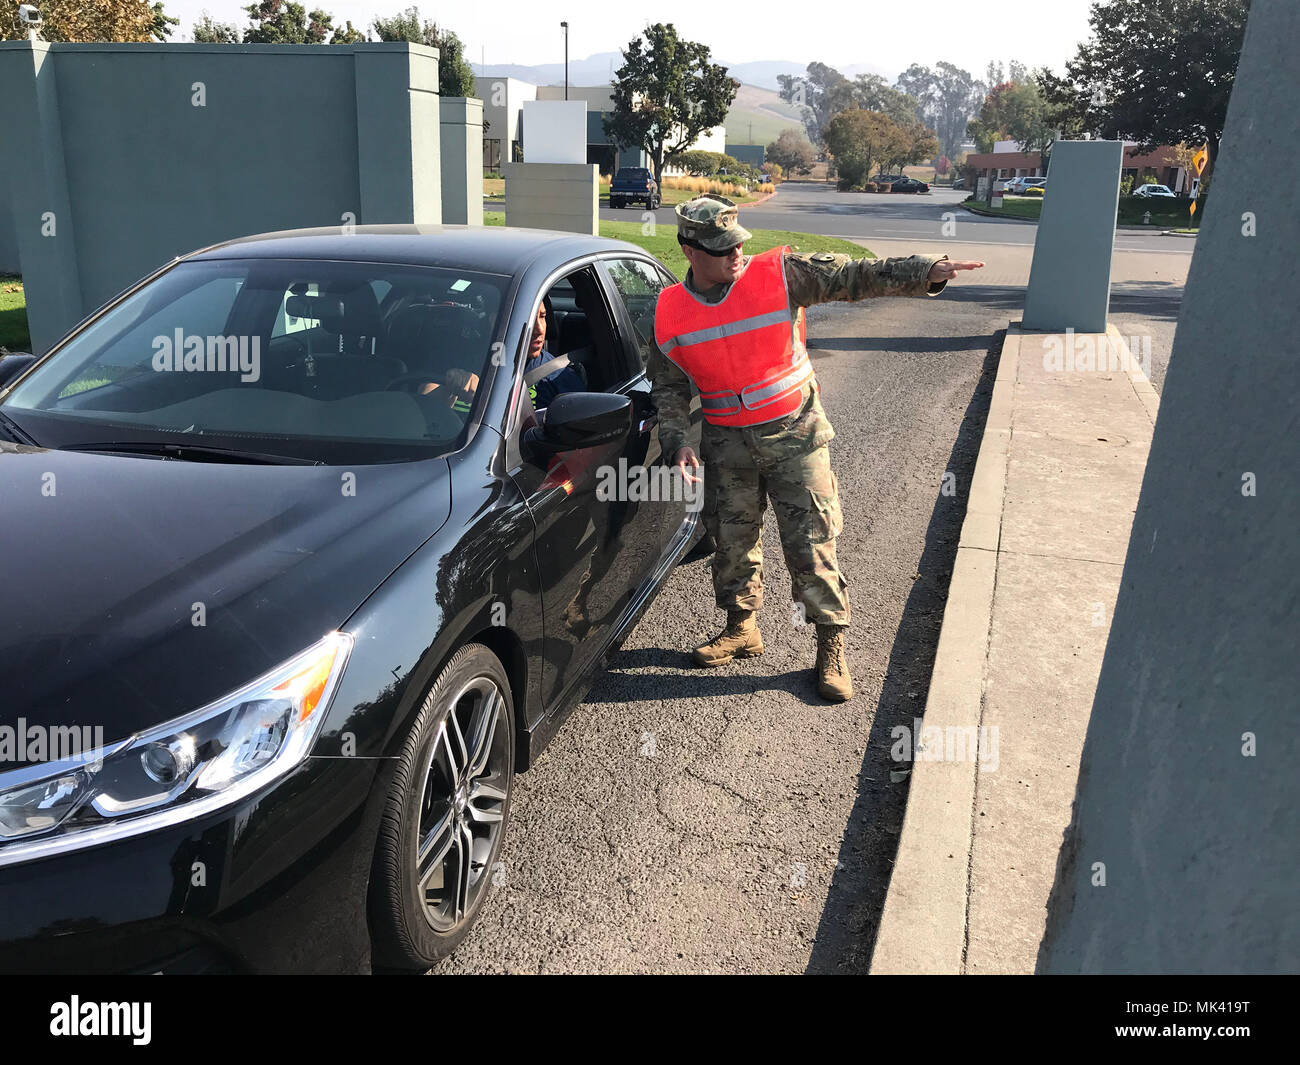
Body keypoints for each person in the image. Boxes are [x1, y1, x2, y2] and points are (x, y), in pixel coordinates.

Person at [648, 194, 984, 702]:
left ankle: (830, 647)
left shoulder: (778, 273)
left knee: (811, 543)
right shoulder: (670, 310)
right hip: (726, 445)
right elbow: (669, 385)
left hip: (795, 435)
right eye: (721, 249)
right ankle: (743, 628)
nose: (736, 254)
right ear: (688, 250)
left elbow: (855, 276)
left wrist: (926, 271)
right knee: (732, 542)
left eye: (739, 243)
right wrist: (676, 440)